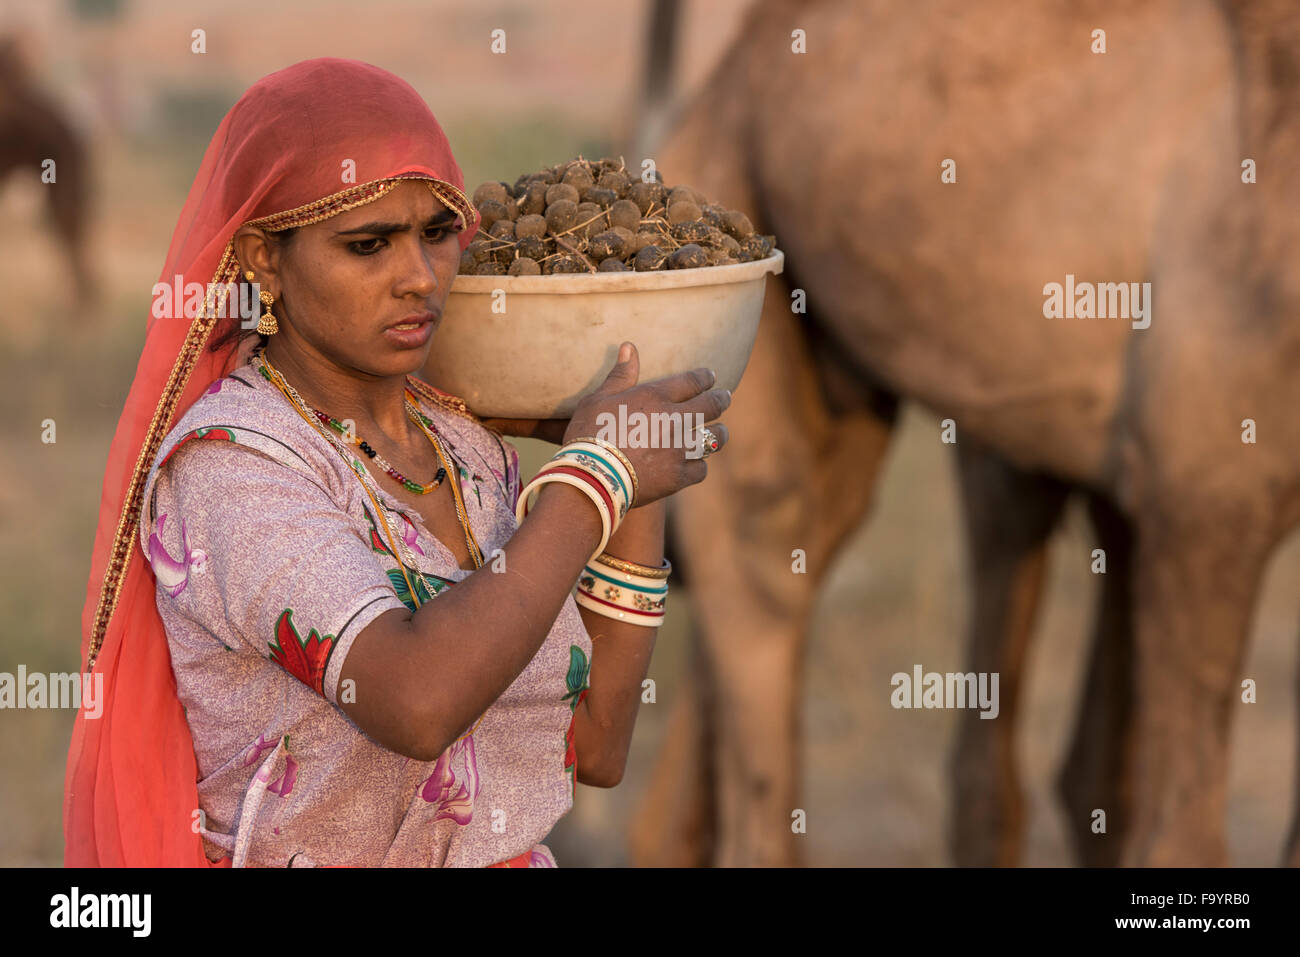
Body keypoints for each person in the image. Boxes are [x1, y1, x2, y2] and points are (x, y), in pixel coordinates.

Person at [63, 57, 731, 867]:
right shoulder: (229, 470)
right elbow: (415, 701)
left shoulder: (463, 447)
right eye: (368, 244)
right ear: (262, 258)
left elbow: (594, 746)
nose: (418, 277)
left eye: (437, 233)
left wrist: (634, 450)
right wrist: (596, 480)